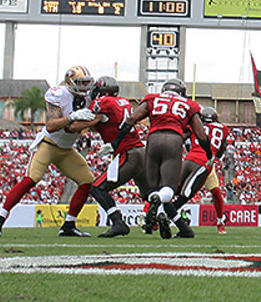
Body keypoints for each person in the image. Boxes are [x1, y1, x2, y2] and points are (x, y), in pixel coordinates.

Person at [0, 66, 99, 238]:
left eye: (86, 83)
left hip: (67, 149)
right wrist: (71, 117)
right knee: (32, 178)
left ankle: (69, 224)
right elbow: (51, 125)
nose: (84, 86)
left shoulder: (89, 98)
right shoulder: (59, 94)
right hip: (48, 144)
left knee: (87, 181)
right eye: (80, 83)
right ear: (70, 83)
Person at [105, 77, 211, 239]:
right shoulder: (189, 105)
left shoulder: (153, 98)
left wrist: (115, 142)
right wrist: (209, 153)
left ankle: (161, 212)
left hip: (152, 140)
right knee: (168, 188)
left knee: (153, 187)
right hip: (173, 140)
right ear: (181, 92)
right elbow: (201, 135)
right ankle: (160, 205)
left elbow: (132, 119)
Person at [83, 75, 151, 238]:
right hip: (141, 152)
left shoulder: (103, 102)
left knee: (97, 188)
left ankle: (118, 222)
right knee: (151, 195)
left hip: (129, 155)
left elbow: (92, 121)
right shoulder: (123, 102)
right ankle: (181, 224)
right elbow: (104, 124)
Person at [167, 106, 230, 237]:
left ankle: (220, 222)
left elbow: (182, 138)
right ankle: (162, 217)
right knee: (187, 193)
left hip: (196, 162)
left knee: (174, 189)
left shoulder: (193, 126)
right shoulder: (222, 129)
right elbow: (220, 152)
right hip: (204, 162)